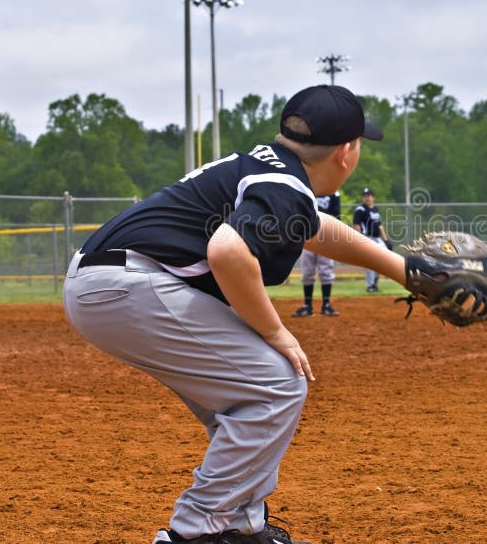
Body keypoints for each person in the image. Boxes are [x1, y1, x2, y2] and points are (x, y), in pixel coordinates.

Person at [62, 84, 408, 544]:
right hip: (129, 285)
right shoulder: (283, 186)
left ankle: (239, 526)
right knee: (276, 382)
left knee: (245, 399)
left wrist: (404, 269)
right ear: (346, 153)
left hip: (110, 282)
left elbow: (311, 225)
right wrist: (276, 331)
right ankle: (198, 530)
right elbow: (228, 251)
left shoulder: (268, 170)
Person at [292, 191, 341, 317]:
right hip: (307, 236)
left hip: (326, 237)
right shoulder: (306, 188)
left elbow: (337, 216)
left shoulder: (333, 193)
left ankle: (326, 305)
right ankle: (307, 306)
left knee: (326, 271)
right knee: (307, 271)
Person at [352, 187, 393, 292]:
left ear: (373, 197)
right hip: (366, 237)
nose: (367, 198)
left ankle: (374, 281)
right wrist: (359, 240)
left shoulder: (375, 209)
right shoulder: (360, 209)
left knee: (383, 259)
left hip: (377, 238)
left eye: (369, 196)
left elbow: (380, 226)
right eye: (365, 196)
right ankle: (370, 285)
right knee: (369, 262)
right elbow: (356, 225)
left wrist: (386, 240)